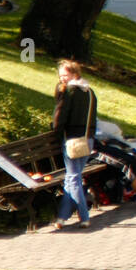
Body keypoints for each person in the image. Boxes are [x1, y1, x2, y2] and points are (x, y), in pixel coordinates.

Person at [52, 60, 97, 230]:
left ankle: (84, 217)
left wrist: (56, 134)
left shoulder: (69, 91)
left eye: (65, 75)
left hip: (72, 141)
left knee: (73, 178)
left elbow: (60, 117)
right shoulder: (89, 92)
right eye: (61, 75)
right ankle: (62, 218)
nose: (62, 78)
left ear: (75, 75)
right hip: (88, 140)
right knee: (71, 180)